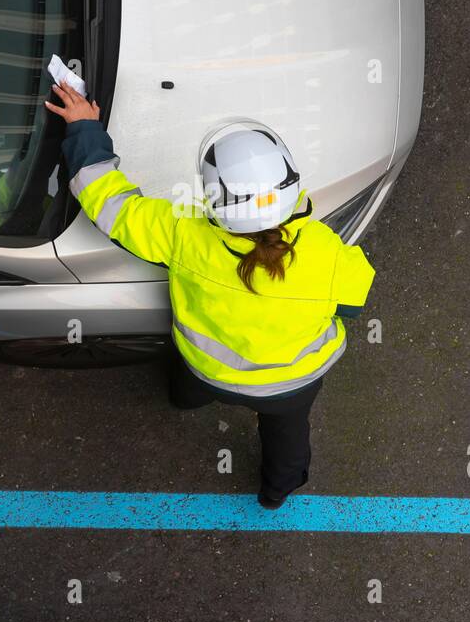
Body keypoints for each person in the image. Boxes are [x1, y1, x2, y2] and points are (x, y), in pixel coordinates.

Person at [45, 84, 376, 508]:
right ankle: (276, 493)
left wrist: (85, 129)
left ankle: (186, 401)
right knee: (288, 439)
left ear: (215, 195)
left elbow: (111, 206)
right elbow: (352, 303)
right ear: (290, 182)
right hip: (290, 384)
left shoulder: (184, 235)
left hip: (206, 370)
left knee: (189, 383)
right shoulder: (327, 253)